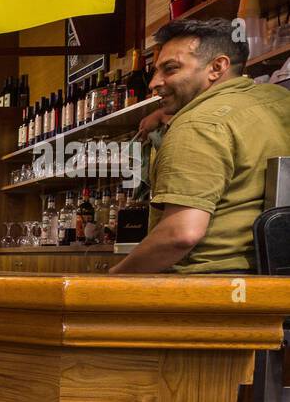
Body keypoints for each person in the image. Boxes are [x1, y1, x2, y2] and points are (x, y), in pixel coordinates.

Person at [111, 18, 290, 274]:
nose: (153, 83)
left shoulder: (198, 124)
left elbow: (180, 234)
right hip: (271, 283)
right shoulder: (279, 100)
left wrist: (115, 279)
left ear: (217, 67)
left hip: (207, 288)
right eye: (155, 71)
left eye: (170, 69)